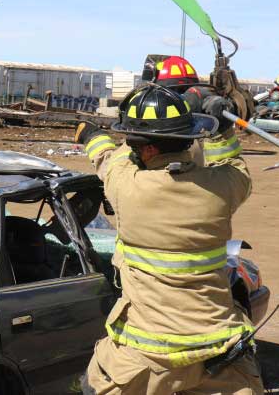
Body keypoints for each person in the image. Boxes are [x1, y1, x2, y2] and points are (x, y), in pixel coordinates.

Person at [74, 83, 263, 394]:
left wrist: (90, 135)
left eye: (135, 144)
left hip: (146, 357)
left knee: (93, 385)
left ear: (147, 149)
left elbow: (108, 158)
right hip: (219, 353)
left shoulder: (125, 186)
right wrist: (222, 128)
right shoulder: (223, 188)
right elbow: (233, 165)